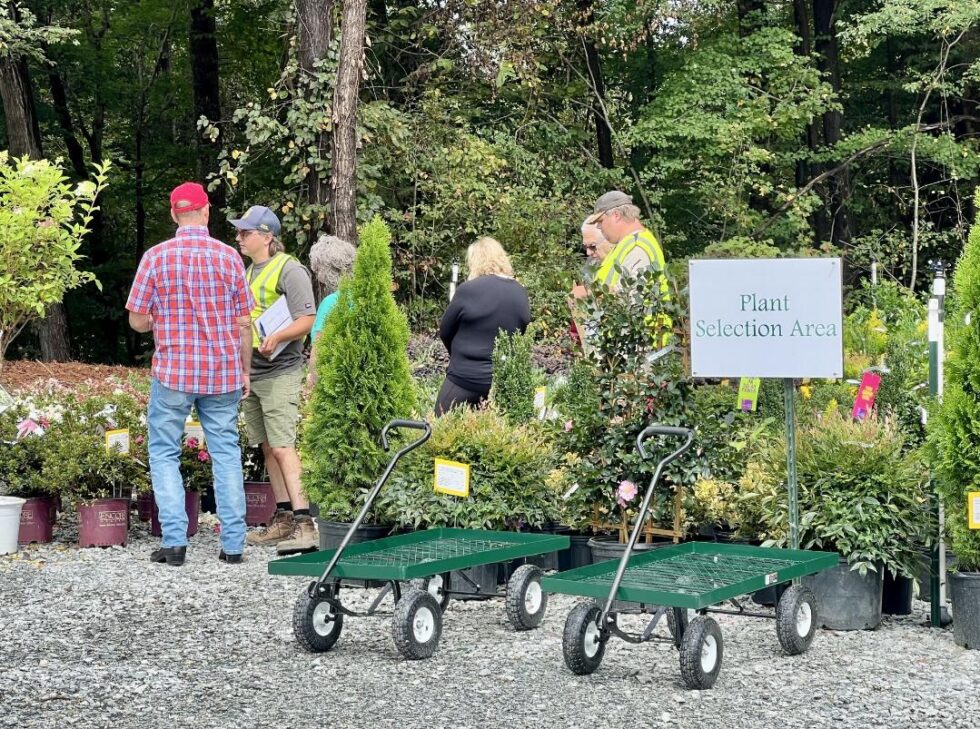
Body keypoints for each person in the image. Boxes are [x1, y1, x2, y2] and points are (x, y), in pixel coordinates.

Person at [126, 182, 254, 567]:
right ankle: (233, 546)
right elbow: (244, 323)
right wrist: (245, 370)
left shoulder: (155, 257)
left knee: (164, 452)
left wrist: (155, 322)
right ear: (206, 211)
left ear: (172, 214)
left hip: (173, 374)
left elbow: (136, 320)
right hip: (221, 374)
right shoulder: (230, 257)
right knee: (226, 453)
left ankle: (175, 542)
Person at [232, 206, 319, 554]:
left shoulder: (291, 270)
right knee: (267, 447)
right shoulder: (248, 271)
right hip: (254, 372)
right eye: (239, 232)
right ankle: (283, 519)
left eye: (245, 232)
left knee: (283, 445)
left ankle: (305, 524)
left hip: (281, 370)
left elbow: (308, 319)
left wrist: (279, 336)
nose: (239, 238)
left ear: (267, 236)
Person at [436, 237, 531, 415]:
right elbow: (522, 329)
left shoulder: (468, 290)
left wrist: (458, 356)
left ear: (476, 261)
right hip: (501, 382)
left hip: (463, 379)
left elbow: (445, 331)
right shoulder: (520, 292)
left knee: (437, 432)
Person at [585, 190, 671, 345]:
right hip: (627, 342)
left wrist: (587, 293)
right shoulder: (626, 245)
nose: (599, 227)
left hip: (641, 346)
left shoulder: (638, 247)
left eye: (601, 221)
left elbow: (634, 298)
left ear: (616, 215)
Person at [306, 234, 357, 392]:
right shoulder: (365, 296)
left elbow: (320, 347)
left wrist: (312, 378)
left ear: (324, 269)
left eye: (318, 269)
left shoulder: (330, 303)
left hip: (335, 382)